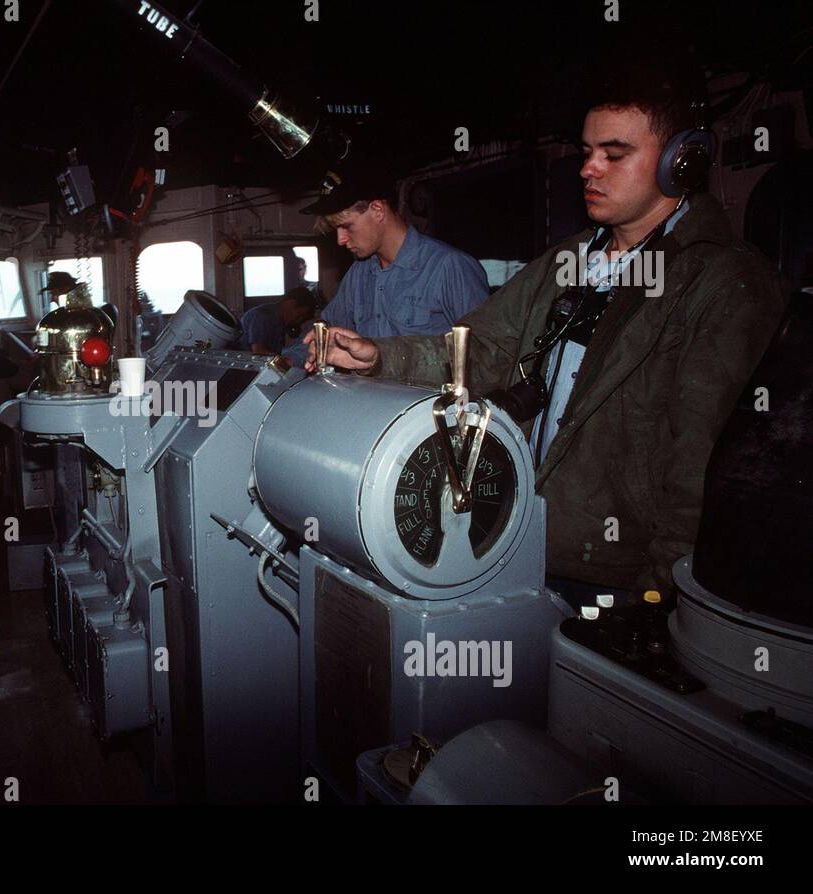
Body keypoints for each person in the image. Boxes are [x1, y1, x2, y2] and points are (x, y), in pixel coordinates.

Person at [307, 65, 789, 596]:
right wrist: (377, 358)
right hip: (524, 534)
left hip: (619, 571)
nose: (589, 169)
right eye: (586, 152)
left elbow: (700, 459)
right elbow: (483, 348)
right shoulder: (569, 262)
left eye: (614, 154)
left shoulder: (723, 281)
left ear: (682, 162)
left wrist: (663, 593)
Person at [282, 160, 489, 365]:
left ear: (378, 210)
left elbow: (487, 355)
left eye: (347, 226)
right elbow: (325, 329)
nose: (340, 239)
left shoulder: (449, 267)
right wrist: (289, 360)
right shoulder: (358, 274)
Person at [237, 288, 315, 353]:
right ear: (290, 303)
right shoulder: (262, 317)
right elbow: (258, 351)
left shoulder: (279, 322)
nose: (297, 321)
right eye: (298, 315)